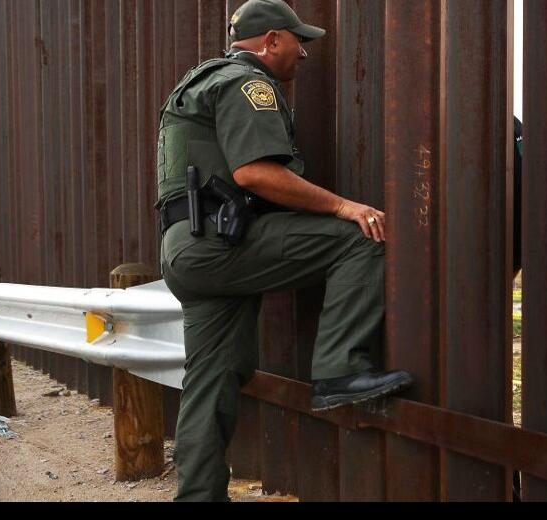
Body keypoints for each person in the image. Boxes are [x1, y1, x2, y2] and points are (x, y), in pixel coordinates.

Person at [156, 0, 413, 501]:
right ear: (271, 40)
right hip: (218, 243)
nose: (305, 53)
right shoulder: (246, 83)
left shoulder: (199, 82)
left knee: (211, 379)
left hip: (186, 250)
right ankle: (340, 370)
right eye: (300, 41)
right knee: (359, 237)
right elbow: (254, 173)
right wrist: (344, 206)